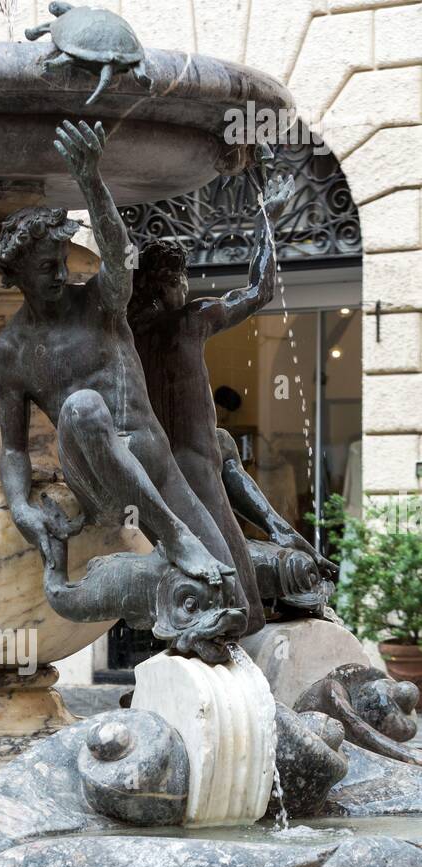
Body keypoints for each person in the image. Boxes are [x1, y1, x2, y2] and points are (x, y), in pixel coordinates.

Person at [0, 119, 237, 633]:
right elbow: (13, 448)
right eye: (45, 268)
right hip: (99, 483)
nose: (61, 275)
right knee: (82, 407)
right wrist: (18, 504)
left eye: (62, 261)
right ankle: (173, 539)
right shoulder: (12, 350)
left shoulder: (100, 304)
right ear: (15, 276)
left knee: (236, 601)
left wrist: (90, 179)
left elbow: (122, 257)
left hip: (155, 461)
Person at [127, 176, 335, 627]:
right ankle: (236, 656)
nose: (186, 288)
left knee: (223, 444)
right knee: (236, 585)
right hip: (192, 468)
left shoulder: (128, 336)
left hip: (160, 466)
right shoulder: (190, 320)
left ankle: (279, 529)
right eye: (181, 280)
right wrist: (267, 221)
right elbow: (260, 290)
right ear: (168, 286)